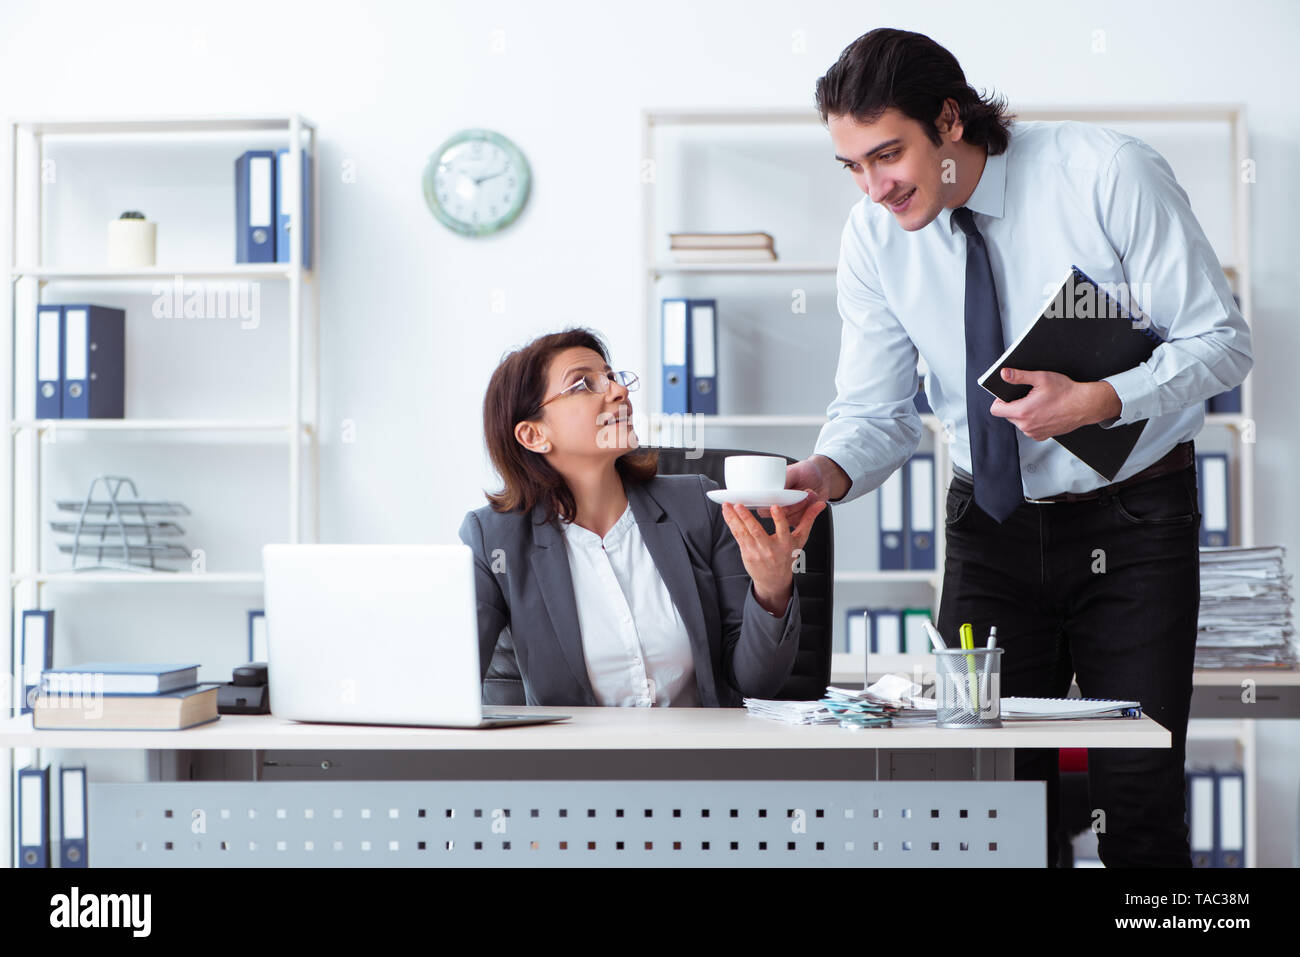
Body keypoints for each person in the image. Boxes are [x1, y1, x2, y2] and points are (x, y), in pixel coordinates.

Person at [778, 28, 1252, 866]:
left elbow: (1220, 341)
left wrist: (1101, 399)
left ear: (950, 119)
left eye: (888, 155)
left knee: (1136, 802)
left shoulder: (1104, 173)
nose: (874, 186)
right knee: (985, 804)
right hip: (990, 526)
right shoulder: (875, 238)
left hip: (1134, 521)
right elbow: (878, 410)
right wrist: (824, 472)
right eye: (851, 164)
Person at [458, 327, 826, 708]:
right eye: (583, 384)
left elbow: (756, 681)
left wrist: (771, 589)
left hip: (703, 759)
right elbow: (451, 681)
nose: (619, 392)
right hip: (576, 764)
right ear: (533, 435)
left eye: (612, 377)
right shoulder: (494, 539)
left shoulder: (696, 506)